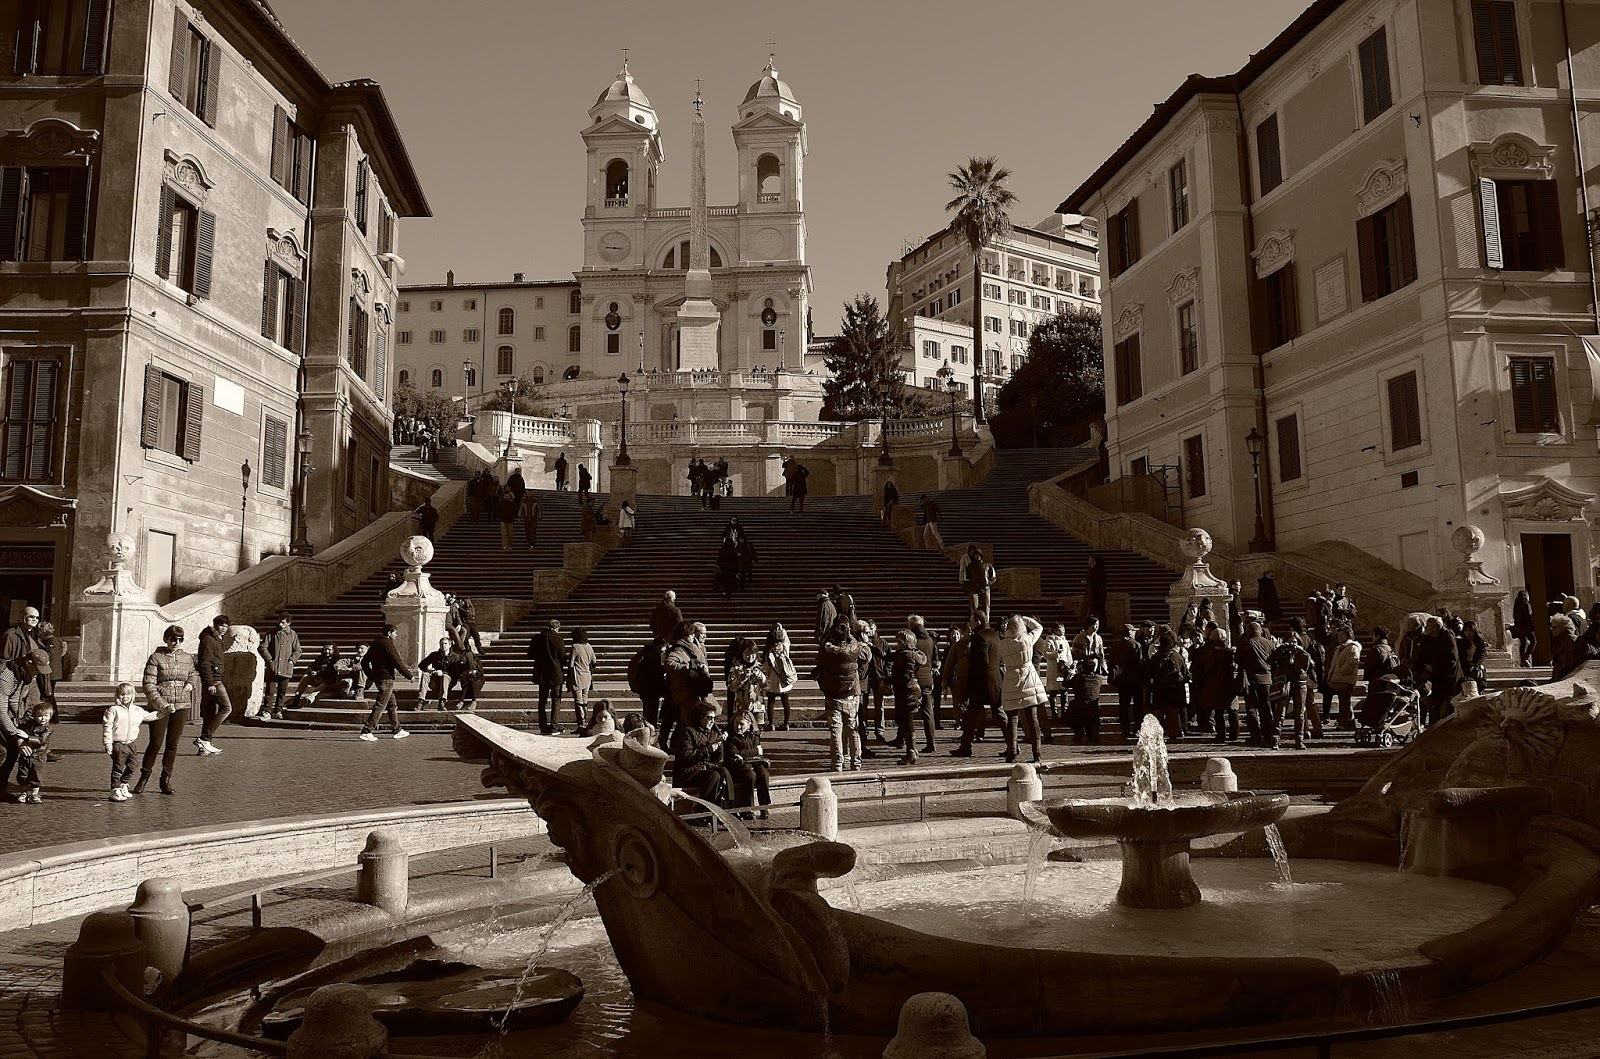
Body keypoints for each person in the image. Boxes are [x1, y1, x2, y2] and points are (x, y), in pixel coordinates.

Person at [138, 626, 194, 795]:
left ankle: (165, 779)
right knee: (155, 743)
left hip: (181, 705)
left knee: (173, 744)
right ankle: (144, 776)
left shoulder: (187, 657)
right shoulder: (156, 657)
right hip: (160, 706)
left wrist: (191, 683)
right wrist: (161, 704)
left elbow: (192, 673)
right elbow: (148, 684)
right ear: (166, 639)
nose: (177, 643)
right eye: (173, 639)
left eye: (180, 639)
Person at [817, 614, 870, 772]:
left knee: (836, 731)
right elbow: (867, 655)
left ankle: (837, 762)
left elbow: (820, 659)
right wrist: (852, 636)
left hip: (833, 694)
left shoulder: (827, 650)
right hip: (851, 694)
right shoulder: (854, 649)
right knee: (853, 730)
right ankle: (856, 761)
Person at [999, 614, 1047, 764]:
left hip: (1011, 679)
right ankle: (1036, 752)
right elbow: (1038, 627)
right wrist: (1024, 619)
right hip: (1028, 679)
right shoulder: (1026, 640)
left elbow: (1000, 658)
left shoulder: (1003, 644)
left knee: (1012, 719)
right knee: (1032, 719)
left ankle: (1011, 752)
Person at [671, 697, 732, 810]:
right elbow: (685, 756)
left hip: (704, 769)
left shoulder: (713, 732)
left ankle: (728, 805)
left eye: (714, 718)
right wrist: (706, 750)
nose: (712, 721)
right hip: (688, 772)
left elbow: (717, 759)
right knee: (714, 776)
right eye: (709, 718)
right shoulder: (688, 732)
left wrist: (719, 745)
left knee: (723, 771)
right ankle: (703, 809)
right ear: (700, 718)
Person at [104, 682, 159, 802]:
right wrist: (108, 744)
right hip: (118, 744)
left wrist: (164, 712)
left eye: (128, 694)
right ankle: (114, 790)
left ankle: (123, 784)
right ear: (118, 696)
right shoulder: (113, 710)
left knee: (133, 765)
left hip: (131, 744)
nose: (125, 697)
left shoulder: (137, 710)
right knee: (118, 768)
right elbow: (107, 727)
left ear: (132, 695)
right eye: (122, 694)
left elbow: (150, 716)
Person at [359, 625, 416, 741]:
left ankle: (397, 729)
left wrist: (371, 675)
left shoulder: (375, 644)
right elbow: (397, 662)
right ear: (389, 633)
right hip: (386, 678)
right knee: (380, 705)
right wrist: (409, 675)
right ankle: (367, 730)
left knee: (392, 705)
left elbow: (364, 661)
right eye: (395, 633)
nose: (396, 635)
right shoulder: (388, 644)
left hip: (379, 678)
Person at [662, 621, 712, 753]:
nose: (693, 637)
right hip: (685, 692)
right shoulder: (679, 648)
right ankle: (686, 749)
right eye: (691, 635)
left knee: (684, 721)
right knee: (689, 720)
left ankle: (677, 745)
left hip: (690, 691)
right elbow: (669, 663)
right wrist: (687, 670)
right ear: (684, 635)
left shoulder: (691, 647)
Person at [724, 704, 772, 819]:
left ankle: (764, 807)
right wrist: (753, 751)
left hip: (753, 764)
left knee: (763, 773)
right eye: (736, 724)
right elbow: (734, 753)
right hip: (736, 766)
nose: (738, 727)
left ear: (749, 724)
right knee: (749, 775)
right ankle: (747, 808)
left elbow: (759, 753)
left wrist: (748, 753)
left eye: (742, 724)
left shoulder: (754, 735)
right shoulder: (730, 736)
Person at [1237, 619, 1278, 748]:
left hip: (1252, 679)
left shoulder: (1247, 643)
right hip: (1267, 680)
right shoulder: (1269, 643)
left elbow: (1238, 659)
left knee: (1252, 708)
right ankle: (1267, 735)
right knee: (1266, 709)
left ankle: (1255, 735)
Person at [889, 629, 928, 765]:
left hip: (908, 692)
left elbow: (905, 677)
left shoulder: (907, 656)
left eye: (898, 641)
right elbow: (889, 657)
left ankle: (911, 752)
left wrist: (888, 680)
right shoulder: (905, 655)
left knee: (908, 723)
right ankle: (911, 751)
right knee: (906, 723)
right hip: (908, 691)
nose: (896, 643)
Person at [1193, 627, 1238, 741]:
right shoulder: (1231, 651)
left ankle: (1221, 735)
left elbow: (1208, 668)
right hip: (1230, 683)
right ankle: (1234, 735)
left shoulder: (1211, 652)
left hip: (1215, 684)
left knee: (1219, 711)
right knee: (1232, 711)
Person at [195, 614, 231, 755]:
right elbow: (205, 663)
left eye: (226, 626)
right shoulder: (209, 640)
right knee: (226, 708)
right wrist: (210, 683)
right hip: (214, 681)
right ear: (215, 625)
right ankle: (205, 738)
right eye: (221, 625)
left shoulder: (217, 640)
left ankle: (204, 746)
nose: (224, 629)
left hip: (214, 679)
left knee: (209, 712)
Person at [1417, 614, 1463, 724]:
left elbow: (1451, 659)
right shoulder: (1428, 638)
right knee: (1434, 704)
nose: (1425, 628)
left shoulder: (1447, 636)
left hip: (1448, 677)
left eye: (1428, 626)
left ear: (1434, 628)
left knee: (1446, 704)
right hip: (1435, 677)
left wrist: (1434, 668)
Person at [1148, 630, 1190, 741]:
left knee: (1159, 712)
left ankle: (1158, 734)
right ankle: (1175, 732)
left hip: (1159, 688)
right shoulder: (1177, 656)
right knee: (1173, 712)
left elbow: (1149, 672)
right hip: (1174, 689)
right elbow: (1185, 672)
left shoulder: (1156, 657)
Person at [1069, 617, 1107, 744]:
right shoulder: (1079, 638)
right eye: (1094, 624)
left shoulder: (1098, 638)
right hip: (1082, 668)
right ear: (1088, 625)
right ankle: (1085, 731)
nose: (1096, 627)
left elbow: (1101, 654)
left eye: (1097, 624)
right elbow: (1074, 654)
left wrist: (1103, 667)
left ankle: (1090, 732)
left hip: (1094, 669)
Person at [527, 619, 567, 735]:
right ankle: (554, 726)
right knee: (556, 700)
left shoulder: (536, 638)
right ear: (556, 628)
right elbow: (562, 657)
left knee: (542, 701)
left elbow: (530, 654)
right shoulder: (559, 639)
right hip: (556, 673)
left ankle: (543, 726)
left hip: (541, 674)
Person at [1107, 625, 1145, 743]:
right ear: (1130, 633)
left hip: (1122, 680)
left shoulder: (1115, 646)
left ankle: (1124, 728)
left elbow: (1111, 662)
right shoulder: (1136, 645)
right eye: (1133, 631)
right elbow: (1140, 663)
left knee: (1123, 705)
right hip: (1135, 680)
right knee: (1137, 705)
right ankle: (1137, 728)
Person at [259, 613, 300, 721]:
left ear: (288, 623)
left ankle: (278, 710)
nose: (281, 624)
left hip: (286, 667)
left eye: (283, 622)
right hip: (274, 667)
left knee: (282, 691)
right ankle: (267, 710)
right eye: (280, 621)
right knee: (270, 690)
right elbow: (263, 647)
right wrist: (270, 660)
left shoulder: (292, 634)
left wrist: (291, 660)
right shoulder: (271, 633)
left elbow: (298, 650)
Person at [1326, 626, 1363, 731]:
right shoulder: (1340, 647)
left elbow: (1353, 661)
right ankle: (1350, 722)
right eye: (1339, 635)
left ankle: (1343, 722)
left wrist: (1343, 671)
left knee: (1344, 703)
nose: (1339, 637)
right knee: (1345, 702)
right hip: (1337, 678)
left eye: (1342, 635)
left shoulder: (1352, 647)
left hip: (1345, 679)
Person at [762, 623, 797, 730]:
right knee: (785, 702)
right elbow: (787, 640)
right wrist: (782, 629)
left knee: (771, 702)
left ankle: (771, 724)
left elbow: (765, 667)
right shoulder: (784, 648)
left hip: (772, 680)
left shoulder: (768, 652)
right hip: (784, 678)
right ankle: (786, 724)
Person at [628, 636, 668, 728]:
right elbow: (655, 673)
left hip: (644, 688)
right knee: (651, 712)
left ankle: (646, 727)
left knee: (647, 710)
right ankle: (649, 729)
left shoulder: (644, 653)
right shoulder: (652, 656)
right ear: (659, 646)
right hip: (651, 689)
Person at [1040, 623, 1074, 723]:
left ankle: (1064, 712)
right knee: (1054, 691)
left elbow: (1068, 654)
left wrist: (1070, 665)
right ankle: (1054, 714)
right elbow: (1046, 653)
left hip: (1064, 669)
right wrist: (1056, 654)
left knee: (1064, 691)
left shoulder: (1064, 640)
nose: (1062, 630)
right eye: (1060, 628)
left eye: (1063, 628)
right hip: (1054, 668)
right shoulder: (1049, 640)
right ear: (1055, 629)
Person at [569, 627, 597, 732]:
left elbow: (571, 663)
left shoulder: (575, 647)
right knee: (585, 700)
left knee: (578, 701)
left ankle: (581, 725)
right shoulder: (589, 646)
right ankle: (585, 723)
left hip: (577, 676)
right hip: (587, 676)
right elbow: (594, 661)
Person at [419, 638, 455, 710]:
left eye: (445, 644)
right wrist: (430, 671)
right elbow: (421, 665)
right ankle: (420, 701)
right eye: (441, 644)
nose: (443, 645)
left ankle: (442, 702)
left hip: (447, 682)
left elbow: (455, 673)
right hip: (435, 681)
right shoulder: (434, 655)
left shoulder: (454, 657)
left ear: (450, 645)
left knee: (445, 676)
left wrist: (443, 673)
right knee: (425, 675)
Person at [960, 546, 994, 618]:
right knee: (974, 607)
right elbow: (967, 578)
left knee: (986, 607)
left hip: (985, 588)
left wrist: (988, 583)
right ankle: (974, 622)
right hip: (974, 589)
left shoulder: (988, 565)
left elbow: (993, 576)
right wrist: (969, 586)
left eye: (979, 555)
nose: (977, 557)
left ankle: (986, 621)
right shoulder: (970, 566)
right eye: (976, 555)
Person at [1511, 588, 1536, 667]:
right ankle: (1526, 657)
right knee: (1533, 641)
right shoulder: (1526, 604)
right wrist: (1531, 627)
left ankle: (1522, 660)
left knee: (1523, 643)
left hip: (1519, 626)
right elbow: (1528, 616)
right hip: (1526, 627)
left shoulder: (1516, 604)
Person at [1085, 556, 1109, 628]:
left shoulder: (1095, 571)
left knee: (1097, 609)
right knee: (1100, 610)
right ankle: (1101, 625)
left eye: (1090, 560)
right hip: (1099, 593)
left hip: (1096, 593)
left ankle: (1097, 625)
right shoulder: (1100, 571)